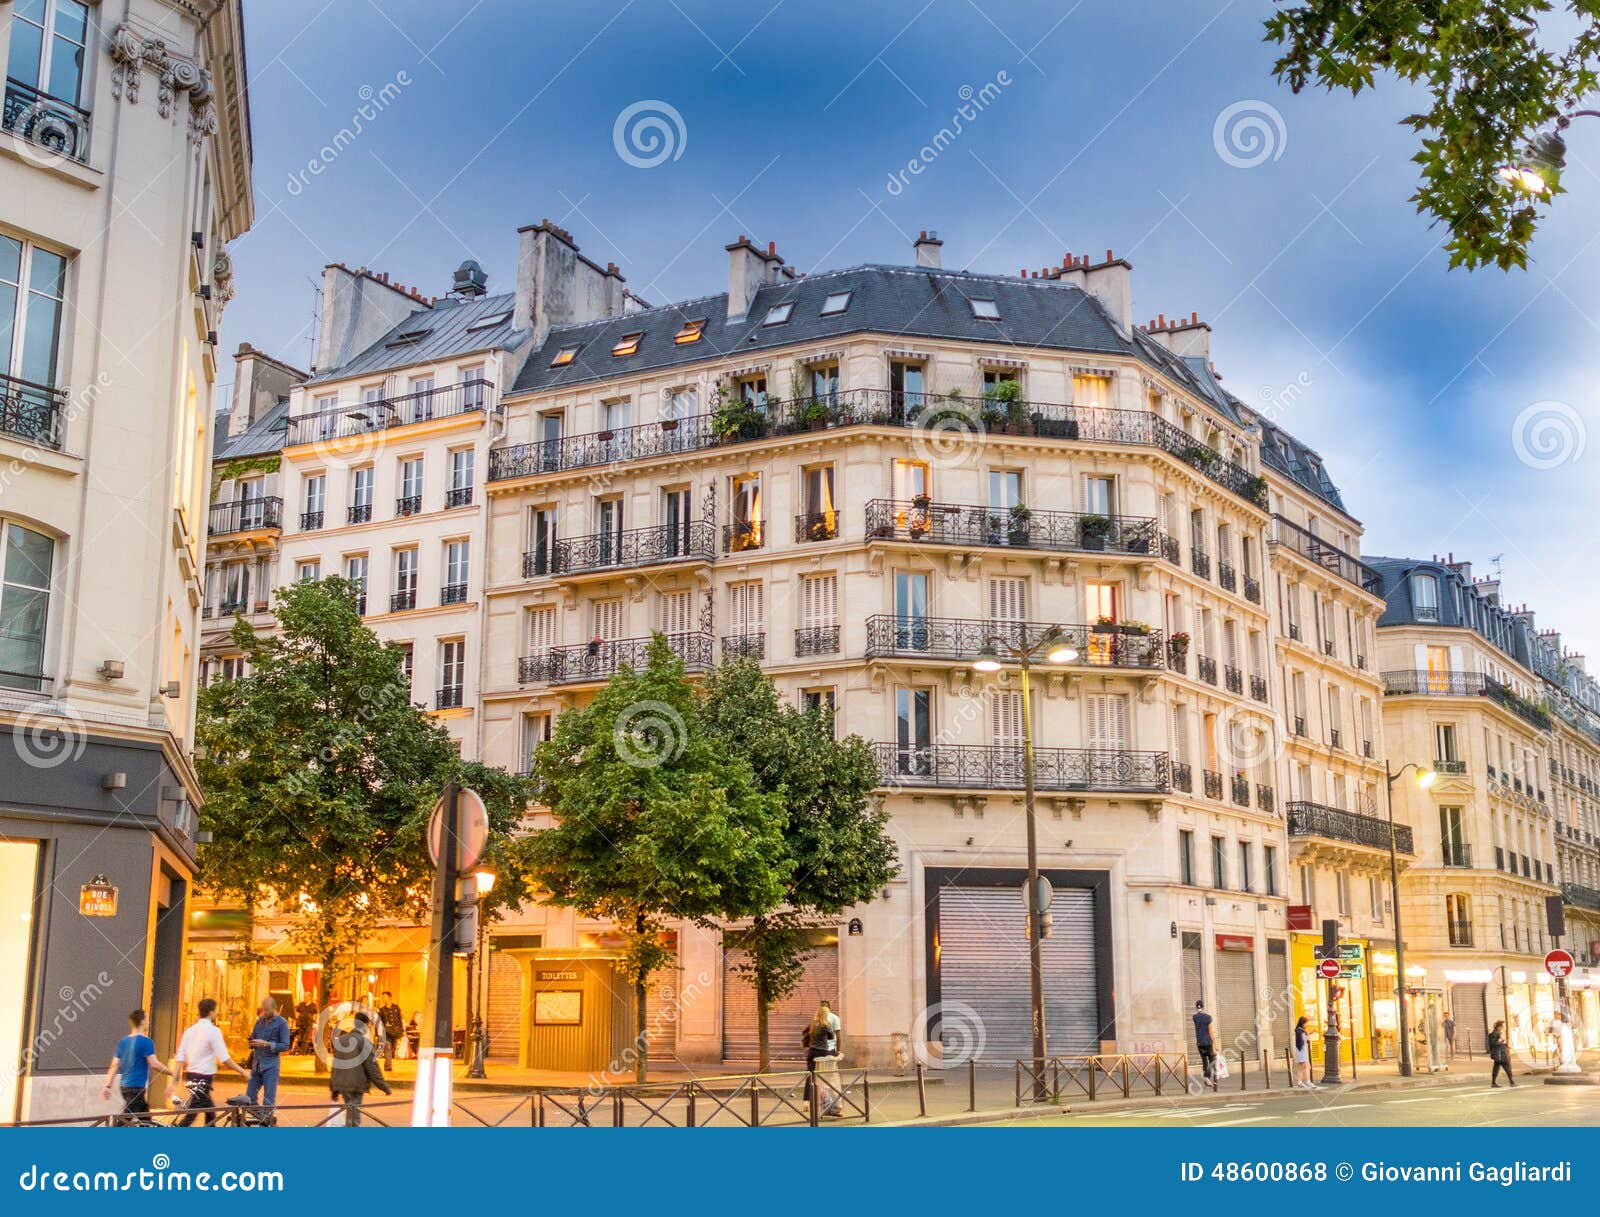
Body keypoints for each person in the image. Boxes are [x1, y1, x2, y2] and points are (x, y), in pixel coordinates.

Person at [172, 998, 249, 1125]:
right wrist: (242, 1072)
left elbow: (180, 1056)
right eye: (216, 1011)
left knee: (209, 1113)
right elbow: (225, 1058)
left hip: (191, 1075)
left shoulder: (190, 1031)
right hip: (204, 1078)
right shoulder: (213, 1031)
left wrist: (175, 1076)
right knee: (194, 1114)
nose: (217, 1014)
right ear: (211, 1012)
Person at [100, 1008, 170, 1124]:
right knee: (125, 1120)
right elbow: (154, 1064)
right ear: (142, 1021)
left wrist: (107, 1086)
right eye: (147, 1019)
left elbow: (114, 1065)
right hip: (136, 1087)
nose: (148, 1021)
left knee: (145, 1119)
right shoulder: (146, 1042)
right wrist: (171, 1072)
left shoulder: (123, 1042)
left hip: (124, 1087)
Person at [330, 1013, 392, 1126]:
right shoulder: (365, 1042)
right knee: (354, 1118)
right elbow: (372, 1067)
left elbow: (336, 1065)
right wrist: (384, 1086)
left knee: (351, 1115)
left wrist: (333, 1087)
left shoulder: (341, 1040)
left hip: (342, 1084)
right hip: (356, 1085)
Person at [242, 996, 292, 1123]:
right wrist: (251, 1042)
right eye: (263, 1010)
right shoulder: (260, 1021)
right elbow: (253, 1038)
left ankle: (265, 1122)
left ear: (274, 1009)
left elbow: (286, 1045)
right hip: (257, 1065)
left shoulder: (282, 1023)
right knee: (248, 1098)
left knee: (268, 1101)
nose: (265, 1013)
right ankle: (264, 1119)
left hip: (271, 1066)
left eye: (267, 1010)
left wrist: (266, 1044)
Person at [1192, 999, 1216, 1089]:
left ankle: (1206, 1079)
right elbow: (1210, 1032)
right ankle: (1207, 1077)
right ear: (1203, 1006)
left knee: (1204, 1061)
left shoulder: (1194, 1017)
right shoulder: (1208, 1017)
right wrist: (1215, 1045)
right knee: (1212, 1060)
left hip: (1199, 1043)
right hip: (1207, 1042)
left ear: (1196, 1007)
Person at [378, 992, 405, 1071]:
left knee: (392, 1048)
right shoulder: (382, 1010)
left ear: (390, 997)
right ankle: (388, 1066)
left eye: (384, 997)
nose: (383, 999)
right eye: (382, 997)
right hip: (386, 1032)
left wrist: (402, 1030)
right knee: (388, 1047)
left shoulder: (396, 1007)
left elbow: (400, 1019)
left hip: (395, 1031)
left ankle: (388, 1063)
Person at [1487, 1019, 1515, 1088]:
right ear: (1499, 1026)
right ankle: (1512, 1082)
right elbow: (1493, 1043)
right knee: (1507, 1066)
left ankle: (1494, 1083)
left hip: (1499, 1054)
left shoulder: (1497, 1033)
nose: (1504, 1027)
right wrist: (1501, 1042)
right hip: (1500, 1054)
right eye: (1503, 1026)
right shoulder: (1496, 1033)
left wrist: (1505, 1043)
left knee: (1496, 1068)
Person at [1292, 1015, 1314, 1089]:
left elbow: (1304, 1037)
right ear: (1303, 1023)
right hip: (1301, 1051)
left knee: (1305, 1066)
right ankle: (1303, 1082)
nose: (1307, 1024)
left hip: (1303, 1050)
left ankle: (1305, 1081)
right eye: (1306, 1023)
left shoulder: (1301, 1030)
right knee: (1303, 1066)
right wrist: (1308, 1038)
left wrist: (1310, 1033)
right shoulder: (1299, 1030)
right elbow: (1302, 1040)